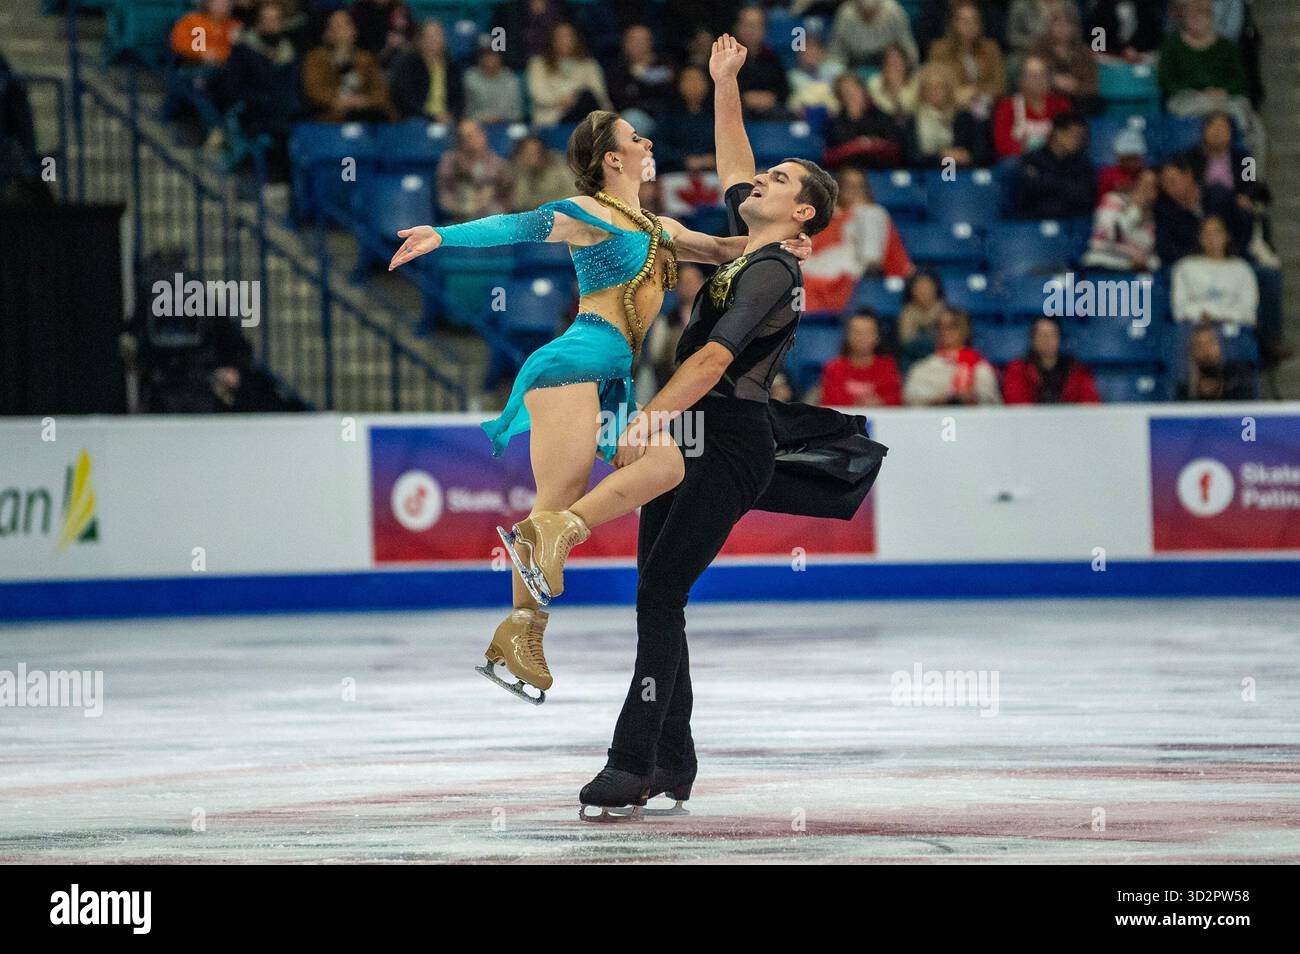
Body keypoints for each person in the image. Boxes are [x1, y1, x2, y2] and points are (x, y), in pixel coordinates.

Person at [389, 104, 814, 704]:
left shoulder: (660, 227)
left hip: (616, 376)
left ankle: (552, 558)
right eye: (635, 137)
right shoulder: (588, 213)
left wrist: (784, 241)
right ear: (615, 158)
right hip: (575, 363)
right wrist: (443, 235)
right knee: (552, 503)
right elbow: (517, 225)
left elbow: (724, 249)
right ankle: (522, 633)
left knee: (663, 467)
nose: (647, 141)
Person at [575, 34, 842, 816]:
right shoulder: (744, 250)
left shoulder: (769, 270)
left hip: (726, 442)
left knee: (660, 592)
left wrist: (647, 424)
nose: (760, 180)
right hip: (690, 434)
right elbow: (736, 166)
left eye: (781, 179)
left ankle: (634, 763)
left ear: (802, 214)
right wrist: (727, 81)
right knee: (656, 594)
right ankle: (674, 759)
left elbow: (712, 365)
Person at [802, 167, 912, 313]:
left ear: (866, 189)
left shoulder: (874, 214)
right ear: (838, 187)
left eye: (859, 186)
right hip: (818, 272)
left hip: (858, 277)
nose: (854, 190)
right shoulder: (823, 215)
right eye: (849, 185)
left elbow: (876, 258)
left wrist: (861, 213)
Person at [302, 9, 395, 122]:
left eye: (348, 23)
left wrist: (365, 100)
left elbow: (380, 91)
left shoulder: (365, 58)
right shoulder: (316, 58)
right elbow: (315, 90)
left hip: (365, 115)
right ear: (328, 33)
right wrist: (339, 100)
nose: (347, 29)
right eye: (339, 26)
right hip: (330, 117)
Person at [924, 0, 1006, 120]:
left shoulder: (991, 49)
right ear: (954, 23)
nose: (969, 25)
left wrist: (976, 92)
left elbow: (1000, 85)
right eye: (964, 21)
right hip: (952, 107)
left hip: (985, 105)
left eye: (974, 20)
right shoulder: (939, 50)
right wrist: (957, 94)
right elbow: (935, 83)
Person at [1171, 215, 1258, 327]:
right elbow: (1179, 309)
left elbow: (1248, 312)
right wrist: (1202, 314)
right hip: (1196, 330)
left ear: (1226, 236)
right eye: (1206, 233)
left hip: (1234, 330)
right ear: (1200, 238)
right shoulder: (1185, 267)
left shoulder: (1242, 269)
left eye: (1217, 233)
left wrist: (1221, 316)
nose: (1211, 238)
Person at [903, 307, 1001, 405]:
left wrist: (973, 398)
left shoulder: (981, 368)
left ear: (965, 329)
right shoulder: (921, 368)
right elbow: (911, 400)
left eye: (952, 326)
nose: (944, 331)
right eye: (939, 326)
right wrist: (935, 401)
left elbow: (992, 404)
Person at [905, 60, 992, 168]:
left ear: (948, 89)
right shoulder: (912, 120)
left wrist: (967, 157)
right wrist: (941, 155)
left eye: (939, 86)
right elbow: (910, 156)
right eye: (930, 87)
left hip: (960, 174)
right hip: (925, 176)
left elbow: (980, 153)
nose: (935, 91)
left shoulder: (963, 118)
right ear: (922, 91)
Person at [526, 23, 613, 127]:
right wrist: (562, 100)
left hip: (585, 116)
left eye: (569, 36)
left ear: (576, 39)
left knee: (586, 97)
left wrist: (575, 98)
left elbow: (598, 94)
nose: (565, 40)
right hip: (551, 118)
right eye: (560, 37)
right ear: (552, 40)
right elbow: (539, 95)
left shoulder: (589, 65)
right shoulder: (538, 64)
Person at [1013, 111, 1095, 219]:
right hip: (1035, 222)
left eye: (1081, 137)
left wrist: (1045, 179)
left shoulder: (1083, 164)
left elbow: (1084, 197)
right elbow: (1028, 194)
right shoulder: (1032, 159)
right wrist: (1064, 184)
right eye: (1075, 136)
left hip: (1071, 223)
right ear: (1058, 133)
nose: (1078, 141)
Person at [1001, 317, 1101, 403]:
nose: (1046, 340)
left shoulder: (1076, 370)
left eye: (1051, 334)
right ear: (1033, 339)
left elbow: (1090, 404)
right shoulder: (1018, 370)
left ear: (1059, 338)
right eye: (1042, 335)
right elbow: (1016, 406)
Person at [823, 73, 907, 170]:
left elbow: (896, 151)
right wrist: (856, 146)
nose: (852, 96)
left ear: (863, 91)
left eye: (854, 90)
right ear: (840, 98)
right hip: (847, 173)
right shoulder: (835, 123)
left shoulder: (882, 117)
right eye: (846, 93)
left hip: (879, 170)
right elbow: (829, 157)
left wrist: (872, 145)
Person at [435, 119, 513, 222]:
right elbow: (444, 195)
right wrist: (463, 208)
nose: (470, 139)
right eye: (464, 136)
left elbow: (509, 196)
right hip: (461, 219)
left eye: (474, 134)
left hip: (492, 220)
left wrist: (493, 207)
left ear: (483, 135)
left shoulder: (499, 164)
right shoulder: (449, 162)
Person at [1083, 167, 1160, 271]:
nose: (1145, 190)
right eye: (1143, 184)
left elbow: (1149, 250)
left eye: (1152, 186)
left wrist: (1147, 263)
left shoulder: (1156, 215)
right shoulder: (1112, 200)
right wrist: (1135, 208)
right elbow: (1112, 234)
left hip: (1133, 270)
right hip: (1102, 264)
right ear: (1134, 184)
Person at [993, 54, 1070, 158]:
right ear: (1022, 79)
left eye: (1043, 74)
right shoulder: (1008, 106)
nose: (1038, 80)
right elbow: (1002, 145)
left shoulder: (1061, 105)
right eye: (1033, 76)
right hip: (1020, 163)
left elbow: (1070, 138)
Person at [818, 312, 902, 406]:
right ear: (847, 336)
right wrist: (857, 404)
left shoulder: (887, 366)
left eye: (868, 332)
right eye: (857, 332)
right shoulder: (834, 368)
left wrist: (879, 403)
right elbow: (829, 403)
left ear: (877, 337)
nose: (862, 337)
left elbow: (895, 401)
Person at [389, 20, 462, 122]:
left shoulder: (451, 64)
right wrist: (431, 116)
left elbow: (458, 97)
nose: (434, 40)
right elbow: (404, 97)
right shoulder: (408, 63)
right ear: (420, 39)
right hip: (417, 118)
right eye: (430, 36)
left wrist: (452, 115)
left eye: (438, 35)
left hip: (447, 118)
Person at [733, 6, 791, 119]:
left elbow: (784, 89)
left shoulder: (772, 57)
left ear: (764, 29)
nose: (751, 30)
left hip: (771, 111)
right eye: (747, 25)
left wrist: (772, 98)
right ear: (737, 27)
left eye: (755, 25)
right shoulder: (726, 57)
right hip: (738, 109)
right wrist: (743, 97)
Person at [1175, 322, 1257, 400]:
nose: (1206, 349)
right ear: (1192, 351)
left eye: (1210, 342)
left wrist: (1220, 388)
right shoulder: (1185, 388)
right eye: (1199, 345)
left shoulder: (1239, 373)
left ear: (1219, 345)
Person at [829, 0, 920, 70]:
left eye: (872, 13)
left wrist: (909, 70)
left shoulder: (894, 11)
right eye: (864, 13)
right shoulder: (845, 14)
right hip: (855, 63)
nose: (868, 15)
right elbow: (836, 53)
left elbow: (908, 49)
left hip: (885, 63)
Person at [462, 40, 524, 125]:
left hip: (506, 124)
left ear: (500, 56)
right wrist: (486, 118)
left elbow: (516, 112)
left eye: (493, 54)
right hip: (478, 125)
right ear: (479, 58)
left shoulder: (510, 78)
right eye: (485, 55)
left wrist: (500, 118)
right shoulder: (470, 78)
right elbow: (468, 111)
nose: (490, 58)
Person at [510, 134, 573, 212]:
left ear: (544, 152)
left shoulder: (560, 167)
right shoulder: (520, 170)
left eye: (535, 152)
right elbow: (519, 202)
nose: (531, 157)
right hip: (531, 216)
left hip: (560, 213)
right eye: (526, 153)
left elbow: (572, 194)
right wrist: (526, 173)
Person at [897, 268, 946, 364]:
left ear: (936, 288)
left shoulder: (946, 314)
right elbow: (905, 344)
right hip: (911, 363)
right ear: (911, 290)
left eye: (927, 286)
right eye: (919, 286)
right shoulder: (905, 314)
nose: (923, 290)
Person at [170, 0, 240, 66]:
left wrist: (218, 54)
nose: (224, 6)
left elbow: (233, 50)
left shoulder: (233, 25)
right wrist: (201, 53)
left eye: (227, 3)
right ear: (208, 3)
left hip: (225, 67)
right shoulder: (192, 21)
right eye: (219, 2)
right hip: (194, 65)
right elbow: (179, 43)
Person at [867, 44, 918, 119]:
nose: (893, 63)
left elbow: (909, 110)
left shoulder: (915, 84)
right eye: (889, 59)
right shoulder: (875, 82)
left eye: (897, 58)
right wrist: (891, 87)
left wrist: (897, 86)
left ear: (906, 62)